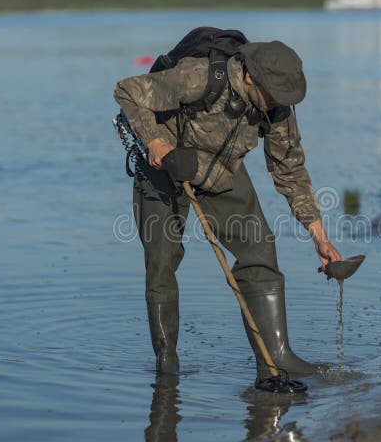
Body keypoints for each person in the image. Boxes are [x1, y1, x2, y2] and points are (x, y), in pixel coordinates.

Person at [114, 39, 341, 378]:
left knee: (259, 246)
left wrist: (319, 236)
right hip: (163, 165)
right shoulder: (198, 77)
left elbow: (289, 168)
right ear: (250, 77)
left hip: (220, 169)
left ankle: (275, 358)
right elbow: (128, 91)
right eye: (275, 93)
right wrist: (156, 142)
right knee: (163, 260)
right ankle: (167, 366)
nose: (280, 103)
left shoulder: (276, 106)